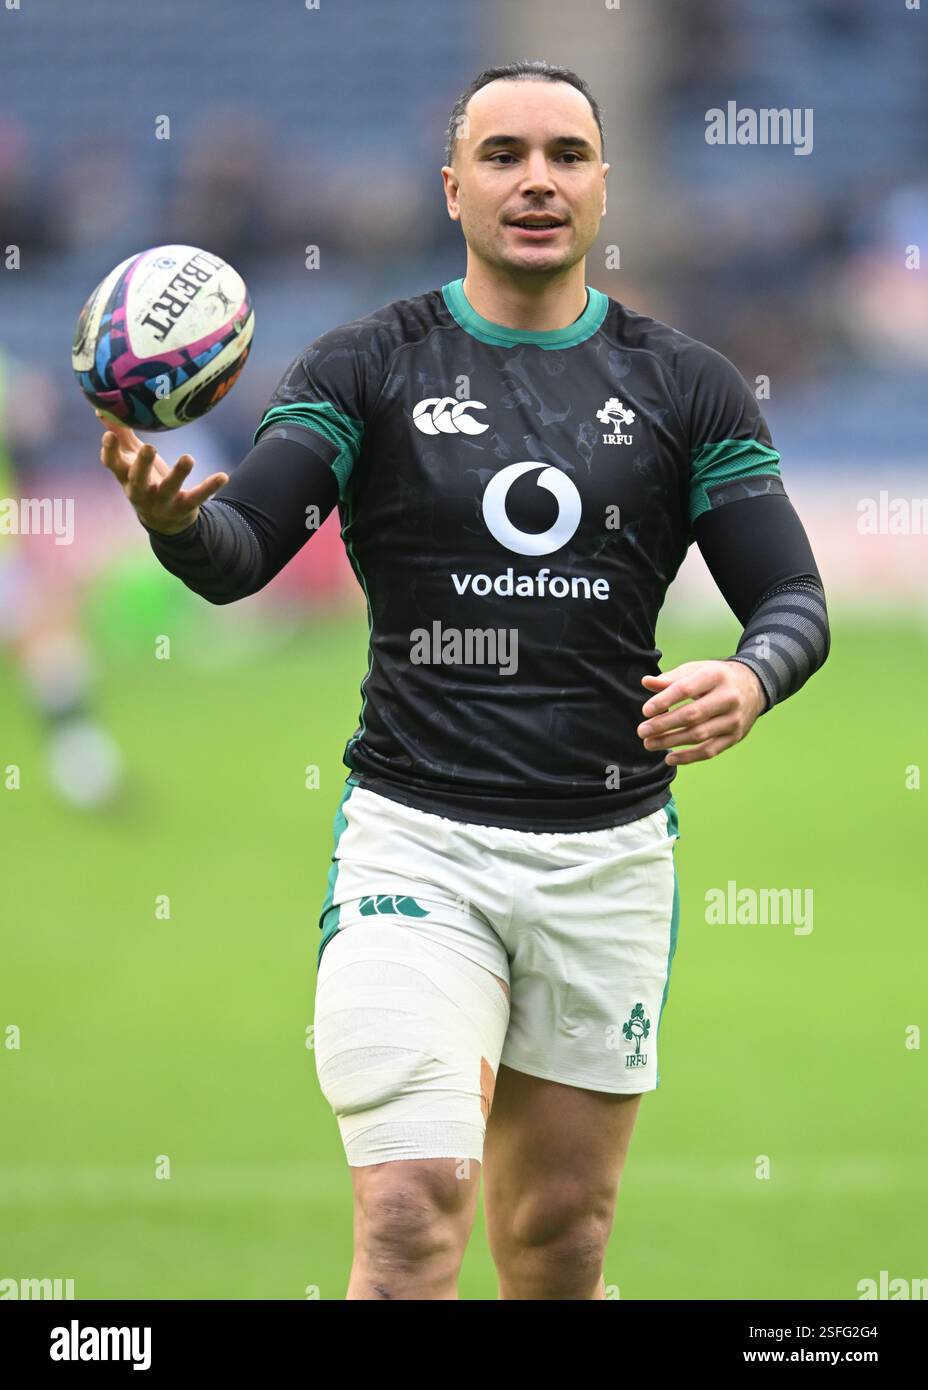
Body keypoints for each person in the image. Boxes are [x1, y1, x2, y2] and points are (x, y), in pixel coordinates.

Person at [97, 60, 830, 1300]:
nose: (535, 179)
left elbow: (792, 601)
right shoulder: (367, 365)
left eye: (564, 155)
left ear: (603, 186)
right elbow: (237, 557)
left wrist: (751, 679)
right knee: (406, 1214)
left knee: (558, 1242)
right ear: (453, 187)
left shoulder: (685, 385)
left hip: (605, 856)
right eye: (502, 155)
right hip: (415, 847)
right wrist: (173, 524)